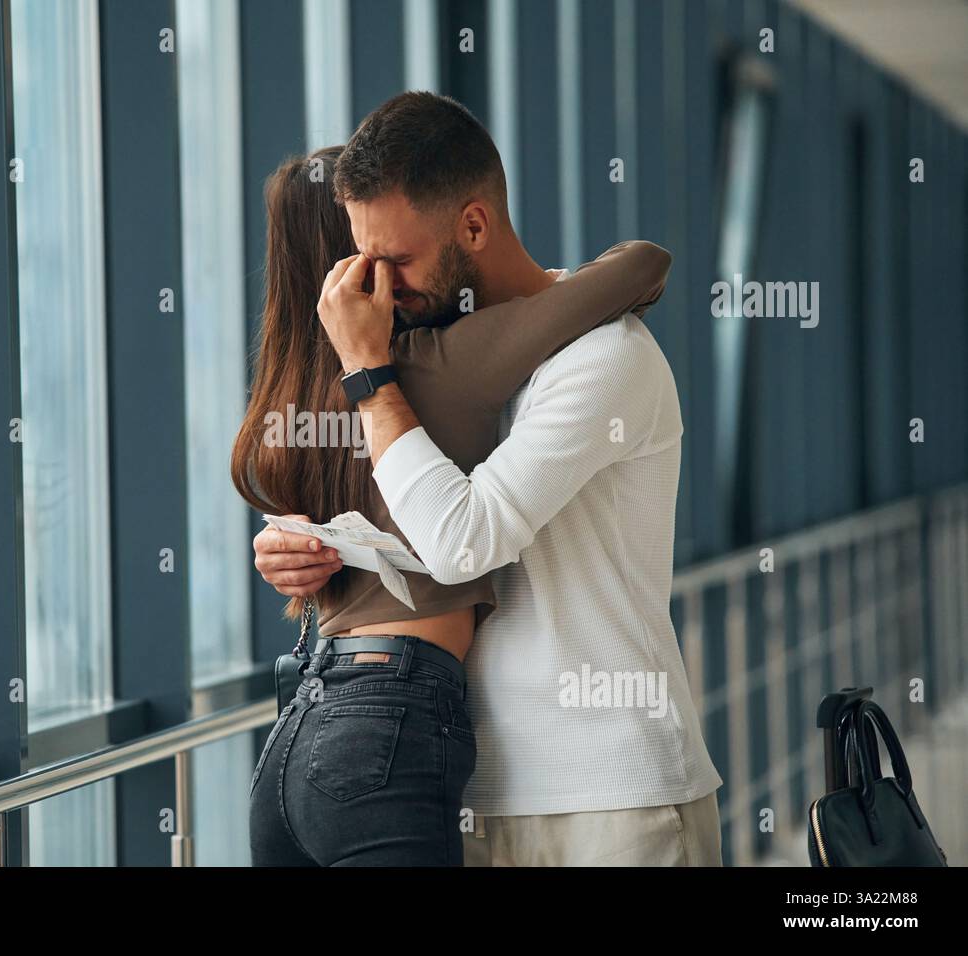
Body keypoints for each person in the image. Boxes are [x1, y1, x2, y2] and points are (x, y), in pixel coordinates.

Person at [252, 91, 725, 866]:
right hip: (470, 790)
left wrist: (369, 376)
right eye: (365, 260)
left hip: (609, 796)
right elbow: (406, 519)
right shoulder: (441, 364)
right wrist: (301, 547)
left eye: (397, 261)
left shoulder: (605, 359)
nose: (380, 287)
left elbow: (461, 542)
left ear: (473, 225)